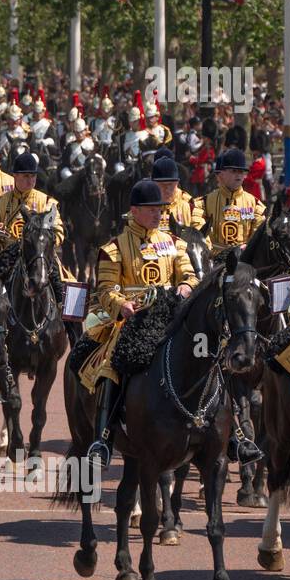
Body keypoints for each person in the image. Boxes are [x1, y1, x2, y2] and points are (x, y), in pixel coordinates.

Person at [81, 181, 200, 466]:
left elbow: (190, 276)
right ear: (134, 211)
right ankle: (104, 436)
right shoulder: (114, 248)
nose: (158, 214)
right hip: (130, 322)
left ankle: (232, 433)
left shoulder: (174, 243)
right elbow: (106, 289)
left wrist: (184, 288)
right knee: (111, 364)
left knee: (206, 353)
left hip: (170, 319)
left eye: (159, 209)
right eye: (150, 209)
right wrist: (121, 305)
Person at [0, 151, 64, 249]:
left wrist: (44, 240)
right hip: (6, 254)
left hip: (39, 255)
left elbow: (58, 232)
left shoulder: (48, 202)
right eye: (26, 176)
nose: (31, 180)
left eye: (33, 176)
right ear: (15, 175)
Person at [194, 148, 265, 257]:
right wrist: (211, 252)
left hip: (244, 260)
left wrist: (247, 248)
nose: (238, 175)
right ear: (221, 174)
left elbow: (259, 233)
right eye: (233, 171)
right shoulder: (203, 203)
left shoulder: (255, 204)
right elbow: (199, 231)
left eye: (241, 172)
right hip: (214, 261)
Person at [153, 155, 205, 231]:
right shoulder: (142, 210)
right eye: (162, 185)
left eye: (171, 184)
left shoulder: (190, 209)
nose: (167, 189)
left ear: (177, 183)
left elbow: (203, 238)